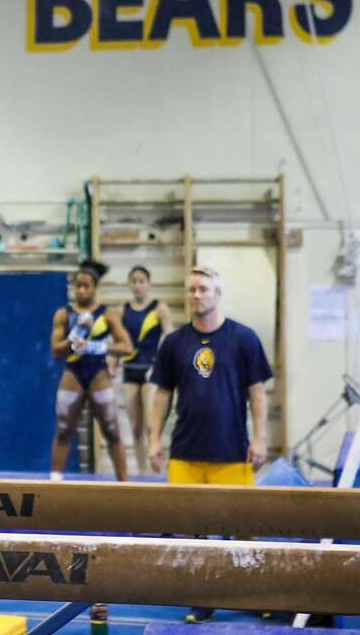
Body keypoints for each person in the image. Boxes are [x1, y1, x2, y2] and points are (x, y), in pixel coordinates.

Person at [147, 266, 272, 623]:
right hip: (186, 452)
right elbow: (162, 396)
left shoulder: (243, 338)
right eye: (191, 290)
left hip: (232, 451)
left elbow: (257, 392)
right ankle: (202, 598)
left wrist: (261, 438)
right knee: (192, 531)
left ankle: (254, 594)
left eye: (204, 289)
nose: (197, 295)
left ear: (218, 295)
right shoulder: (174, 343)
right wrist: (154, 439)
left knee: (246, 529)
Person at [48, 261, 133, 481]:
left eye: (87, 286)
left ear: (95, 288)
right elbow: (56, 351)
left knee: (111, 429)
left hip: (98, 372)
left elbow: (126, 346)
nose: (82, 290)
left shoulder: (107, 315)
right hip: (73, 372)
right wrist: (75, 336)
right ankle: (55, 480)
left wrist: (97, 347)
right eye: (78, 286)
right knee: (64, 429)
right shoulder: (63, 314)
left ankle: (124, 485)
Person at [119, 266, 172, 474]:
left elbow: (168, 337)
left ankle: (158, 469)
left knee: (152, 426)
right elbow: (118, 339)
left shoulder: (160, 309)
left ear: (149, 284)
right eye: (134, 281)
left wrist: (160, 365)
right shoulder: (124, 310)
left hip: (151, 371)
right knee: (135, 428)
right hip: (130, 370)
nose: (138, 285)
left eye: (142, 281)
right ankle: (142, 472)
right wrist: (113, 365)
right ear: (129, 285)